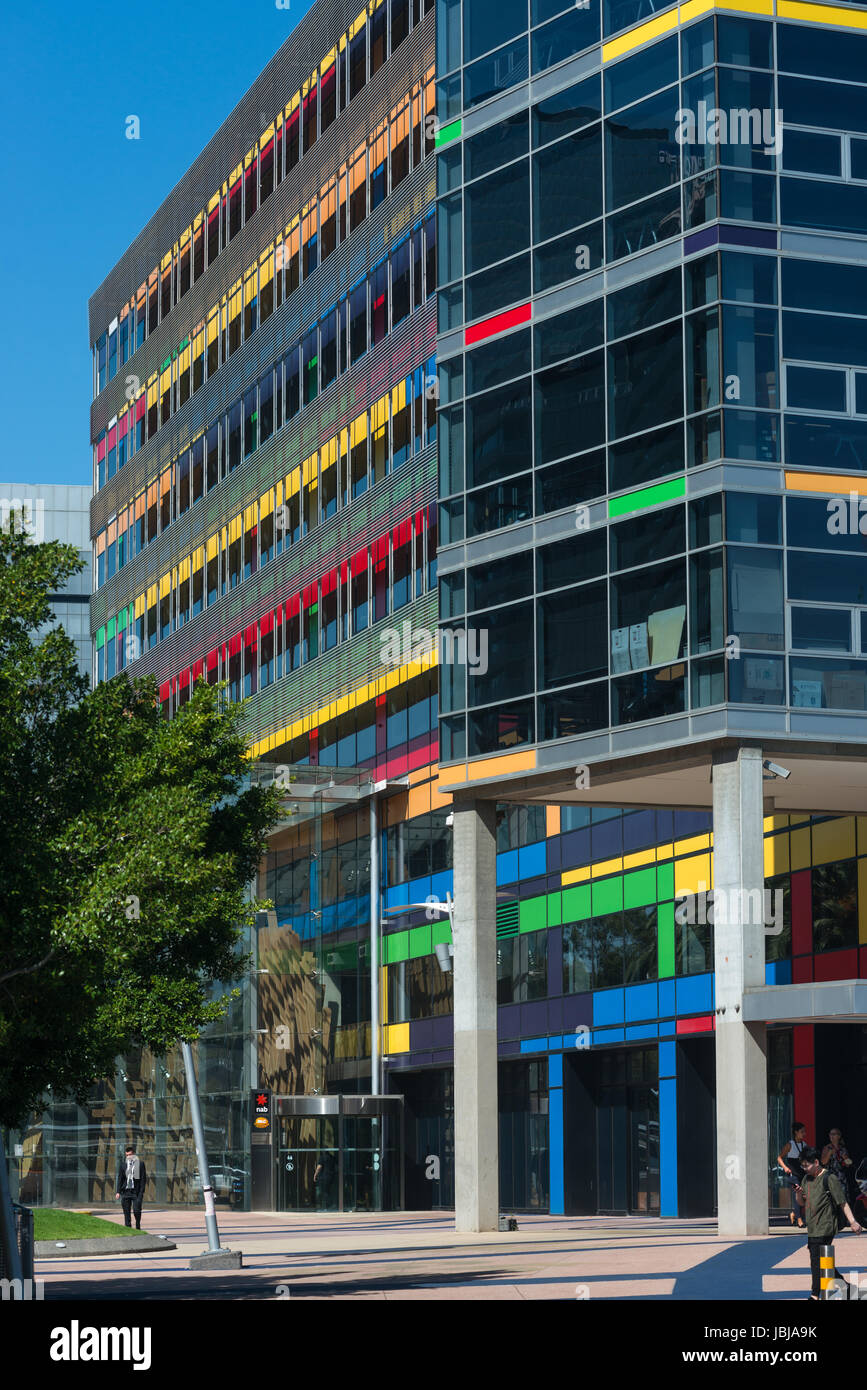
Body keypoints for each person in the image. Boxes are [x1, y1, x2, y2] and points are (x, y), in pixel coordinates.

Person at [795, 1146, 863, 1299]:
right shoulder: (806, 1179)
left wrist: (853, 1222)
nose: (804, 1169)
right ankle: (849, 1290)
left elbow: (842, 1202)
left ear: (816, 1162)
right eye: (802, 1166)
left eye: (806, 1165)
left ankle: (814, 1294)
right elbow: (801, 1203)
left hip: (826, 1226)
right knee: (825, 1263)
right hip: (812, 1227)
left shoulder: (829, 1178)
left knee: (816, 1262)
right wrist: (798, 1194)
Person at [778, 1122, 808, 1227]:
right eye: (802, 1132)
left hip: (802, 1174)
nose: (804, 1134)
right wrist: (785, 1167)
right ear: (796, 1132)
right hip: (792, 1175)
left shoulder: (804, 1145)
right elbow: (779, 1157)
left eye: (804, 1132)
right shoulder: (790, 1144)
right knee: (797, 1194)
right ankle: (799, 1219)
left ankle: (794, 1214)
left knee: (803, 1196)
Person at [115, 1145, 147, 1230]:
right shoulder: (123, 1165)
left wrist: (141, 1193)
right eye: (127, 1155)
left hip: (136, 1192)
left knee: (137, 1210)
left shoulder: (140, 1164)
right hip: (126, 1191)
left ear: (134, 1154)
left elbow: (143, 1179)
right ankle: (128, 1228)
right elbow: (120, 1179)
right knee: (126, 1211)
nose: (128, 1157)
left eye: (130, 1155)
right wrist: (118, 1191)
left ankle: (137, 1225)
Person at [821, 1128, 856, 1206]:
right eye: (830, 1134)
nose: (831, 1136)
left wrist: (845, 1158)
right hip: (830, 1176)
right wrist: (829, 1153)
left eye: (834, 1134)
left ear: (839, 1136)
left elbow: (848, 1164)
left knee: (842, 1199)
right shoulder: (827, 1147)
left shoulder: (842, 1148)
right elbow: (823, 1162)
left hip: (841, 1177)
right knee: (831, 1199)